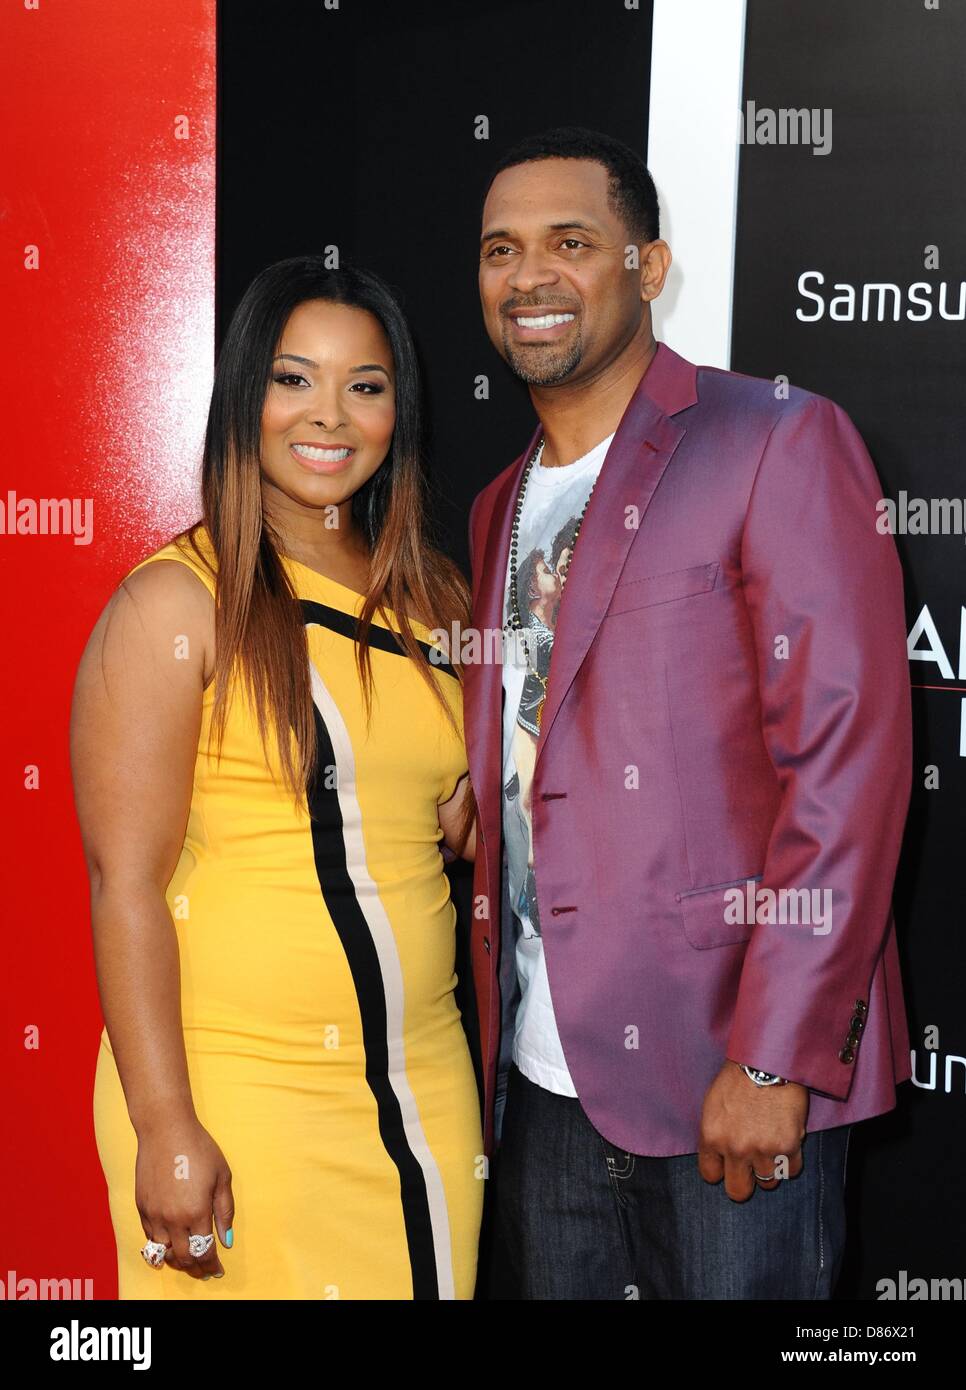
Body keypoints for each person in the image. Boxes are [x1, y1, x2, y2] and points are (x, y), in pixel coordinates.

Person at [463, 126, 913, 1300]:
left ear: (649, 266)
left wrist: (773, 1059)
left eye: (572, 242)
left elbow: (845, 770)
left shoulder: (772, 437)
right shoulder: (494, 508)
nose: (530, 278)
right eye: (501, 250)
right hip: (544, 1090)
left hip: (729, 1071)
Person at [71, 257, 482, 1299]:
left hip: (424, 1085)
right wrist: (165, 1124)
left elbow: (456, 825)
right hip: (235, 1094)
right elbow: (124, 885)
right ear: (244, 398)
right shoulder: (176, 604)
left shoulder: (436, 599)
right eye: (293, 379)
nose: (330, 416)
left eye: (367, 385)